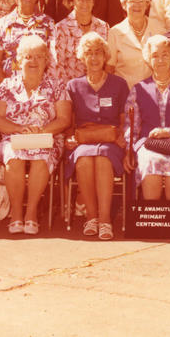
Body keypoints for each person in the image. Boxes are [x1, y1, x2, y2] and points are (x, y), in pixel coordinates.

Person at [0, 35, 71, 235]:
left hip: (47, 136)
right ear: (19, 60)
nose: (33, 61)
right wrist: (18, 129)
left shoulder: (57, 86)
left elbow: (63, 119)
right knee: (14, 158)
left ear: (46, 60)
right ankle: (17, 214)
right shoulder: (7, 85)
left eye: (39, 57)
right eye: (29, 56)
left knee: (41, 158)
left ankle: (31, 213)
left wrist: (41, 130)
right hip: (13, 136)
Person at [64, 32, 128, 240]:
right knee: (83, 159)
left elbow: (124, 118)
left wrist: (121, 136)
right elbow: (68, 121)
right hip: (84, 139)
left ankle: (105, 220)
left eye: (98, 53)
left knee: (103, 159)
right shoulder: (73, 86)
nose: (94, 58)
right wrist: (69, 137)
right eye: (89, 53)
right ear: (82, 57)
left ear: (105, 56)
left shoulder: (119, 84)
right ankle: (91, 217)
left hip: (111, 140)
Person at [125, 35, 170, 201]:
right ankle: (153, 219)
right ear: (148, 59)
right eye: (155, 56)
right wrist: (128, 151)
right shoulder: (138, 89)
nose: (160, 60)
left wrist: (167, 132)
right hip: (148, 144)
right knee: (151, 160)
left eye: (165, 55)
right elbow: (131, 127)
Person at [0, 0, 54, 86]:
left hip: (40, 90)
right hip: (9, 88)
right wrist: (6, 89)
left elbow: (52, 61)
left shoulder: (48, 23)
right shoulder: (2, 23)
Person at [50, 0, 109, 85]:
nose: (85, 3)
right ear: (72, 2)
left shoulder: (103, 27)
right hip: (69, 89)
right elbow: (57, 65)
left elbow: (107, 62)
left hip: (98, 86)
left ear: (94, 2)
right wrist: (68, 92)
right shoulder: (61, 28)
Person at [107, 0, 153, 88]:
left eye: (141, 1)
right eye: (132, 1)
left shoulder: (158, 29)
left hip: (153, 93)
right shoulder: (114, 33)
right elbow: (109, 69)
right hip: (125, 93)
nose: (137, 5)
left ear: (147, 4)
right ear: (124, 5)